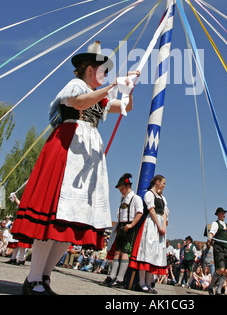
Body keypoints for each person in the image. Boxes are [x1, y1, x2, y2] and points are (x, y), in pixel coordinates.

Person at [11, 41, 139, 295]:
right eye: (103, 71)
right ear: (90, 70)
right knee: (53, 214)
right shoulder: (76, 87)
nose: (106, 77)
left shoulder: (99, 97)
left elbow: (127, 107)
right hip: (66, 150)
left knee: (74, 219)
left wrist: (129, 88)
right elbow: (79, 104)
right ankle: (34, 277)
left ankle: (44, 277)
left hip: (87, 159)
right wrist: (113, 86)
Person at [129, 174, 168, 293]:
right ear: (157, 182)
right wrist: (158, 225)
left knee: (156, 253)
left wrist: (164, 227)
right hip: (152, 223)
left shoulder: (162, 197)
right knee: (147, 252)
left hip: (160, 223)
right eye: (163, 183)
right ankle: (142, 282)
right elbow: (151, 210)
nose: (164, 185)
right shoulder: (149, 194)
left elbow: (165, 211)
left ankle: (149, 282)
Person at [103, 173, 143, 288]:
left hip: (129, 226)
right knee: (117, 252)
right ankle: (112, 276)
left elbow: (139, 213)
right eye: (120, 189)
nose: (121, 191)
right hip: (121, 225)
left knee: (125, 253)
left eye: (122, 189)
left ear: (127, 186)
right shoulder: (123, 199)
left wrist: (131, 225)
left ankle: (120, 279)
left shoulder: (136, 198)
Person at [207, 207, 227, 295]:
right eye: (222, 213)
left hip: (226, 249)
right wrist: (210, 238)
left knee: (226, 271)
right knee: (221, 269)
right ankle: (211, 286)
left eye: (224, 213)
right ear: (218, 215)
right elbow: (211, 233)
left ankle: (219, 290)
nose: (223, 215)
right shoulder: (215, 224)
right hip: (219, 247)